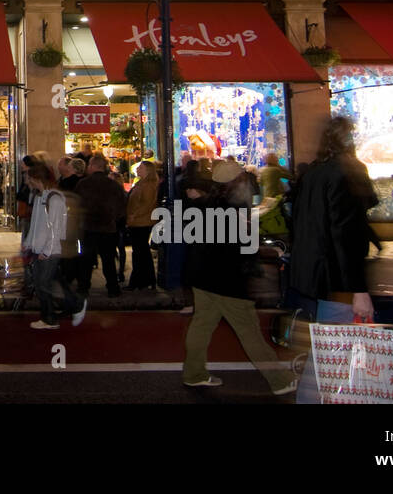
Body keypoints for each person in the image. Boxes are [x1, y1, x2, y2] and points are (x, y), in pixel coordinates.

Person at [180, 159, 296, 394]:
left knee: (201, 324)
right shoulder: (234, 209)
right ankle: (280, 380)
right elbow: (243, 246)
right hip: (226, 279)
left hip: (202, 275)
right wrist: (268, 251)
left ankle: (194, 373)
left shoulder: (204, 203)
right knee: (249, 330)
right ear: (236, 181)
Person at [287, 116, 375, 324]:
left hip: (312, 276)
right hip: (336, 278)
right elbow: (345, 234)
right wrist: (359, 289)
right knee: (336, 346)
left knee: (327, 346)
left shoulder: (314, 172)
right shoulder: (347, 172)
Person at [25, 160, 87, 330]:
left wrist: (47, 250)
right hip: (41, 247)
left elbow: (55, 227)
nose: (27, 181)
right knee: (50, 280)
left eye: (29, 178)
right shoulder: (40, 197)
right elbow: (36, 224)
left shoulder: (53, 198)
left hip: (49, 249)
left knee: (42, 283)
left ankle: (53, 316)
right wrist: (29, 243)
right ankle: (69, 307)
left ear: (37, 178)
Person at [75, 153, 127, 297]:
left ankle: (83, 287)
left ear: (93, 166)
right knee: (108, 259)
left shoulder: (84, 184)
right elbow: (121, 207)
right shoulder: (113, 185)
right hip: (108, 228)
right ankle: (112, 287)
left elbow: (77, 204)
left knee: (86, 260)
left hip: (88, 227)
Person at [126, 160, 161, 290]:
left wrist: (133, 216)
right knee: (142, 252)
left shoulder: (147, 185)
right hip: (140, 221)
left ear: (147, 170)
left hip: (141, 222)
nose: (137, 169)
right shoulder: (143, 183)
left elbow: (147, 205)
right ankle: (147, 279)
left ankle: (138, 281)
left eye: (140, 167)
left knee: (139, 252)